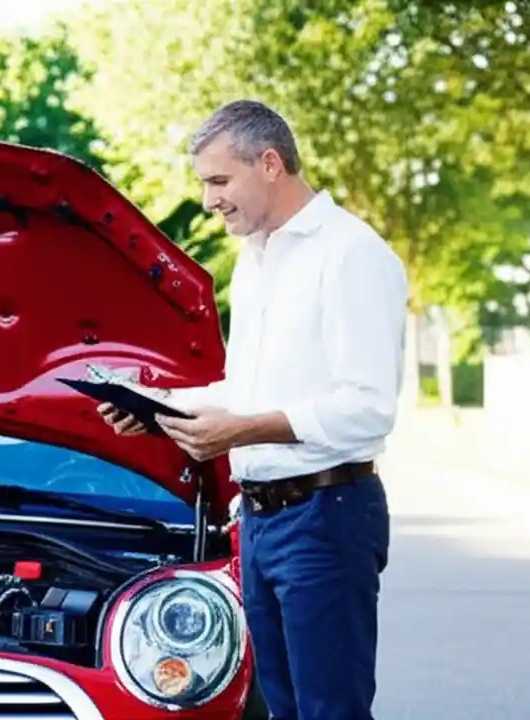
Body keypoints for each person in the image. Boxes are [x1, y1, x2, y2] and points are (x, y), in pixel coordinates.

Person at [99, 99, 408, 720]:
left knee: (331, 711)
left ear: (270, 163)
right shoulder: (257, 260)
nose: (210, 200)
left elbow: (369, 407)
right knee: (281, 710)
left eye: (219, 181)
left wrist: (243, 430)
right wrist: (159, 405)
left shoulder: (350, 253)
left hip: (326, 516)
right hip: (263, 523)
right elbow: (245, 389)